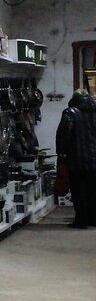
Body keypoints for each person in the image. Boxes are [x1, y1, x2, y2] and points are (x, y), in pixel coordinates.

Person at [55, 89, 96, 228]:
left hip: (77, 159)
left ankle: (81, 220)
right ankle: (93, 219)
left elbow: (63, 134)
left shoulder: (70, 112)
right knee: (93, 191)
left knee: (79, 191)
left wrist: (61, 153)